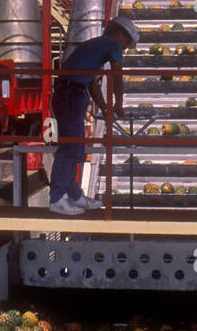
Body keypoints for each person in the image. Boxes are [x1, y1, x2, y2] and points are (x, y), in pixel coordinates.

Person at [48, 17, 138, 216]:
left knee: (76, 147)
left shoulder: (94, 46)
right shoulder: (113, 44)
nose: (123, 48)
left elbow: (92, 84)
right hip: (72, 94)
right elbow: (117, 75)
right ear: (121, 34)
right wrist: (119, 104)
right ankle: (57, 198)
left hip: (70, 93)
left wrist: (105, 109)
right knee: (70, 147)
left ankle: (74, 195)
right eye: (126, 42)